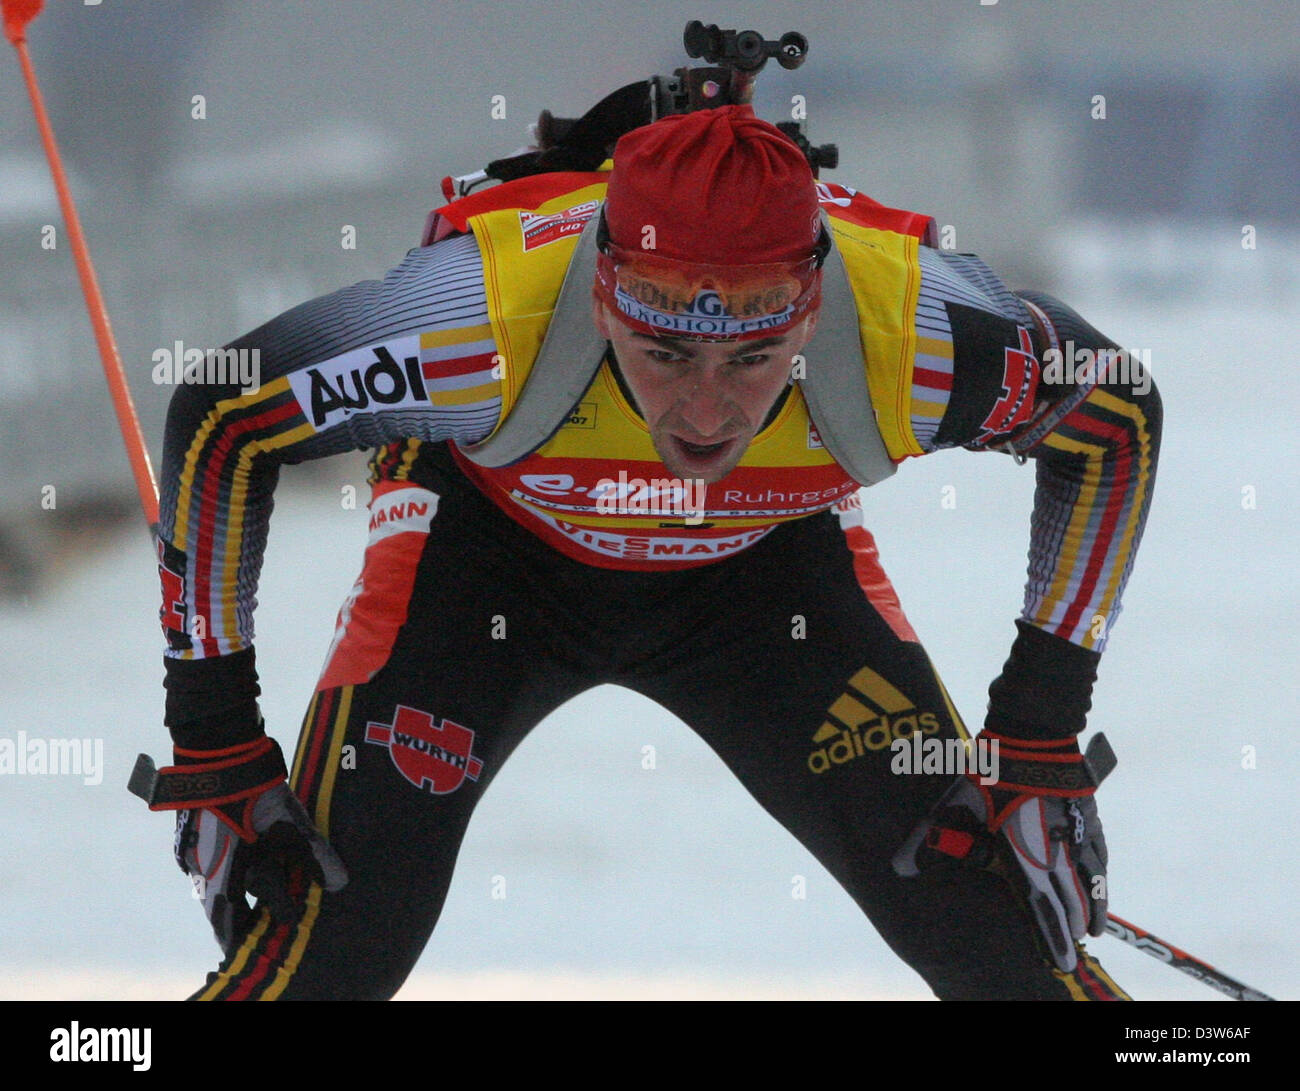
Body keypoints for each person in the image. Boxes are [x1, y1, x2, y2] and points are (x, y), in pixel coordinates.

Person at [138, 105, 1161, 1000]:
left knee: (992, 932)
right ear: (598, 290)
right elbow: (225, 409)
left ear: (809, 307)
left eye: (755, 356)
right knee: (337, 946)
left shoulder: (915, 334)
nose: (706, 408)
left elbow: (1117, 417)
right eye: (664, 349)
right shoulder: (481, 321)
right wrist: (215, 740)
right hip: (488, 559)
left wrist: (1037, 733)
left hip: (759, 580)